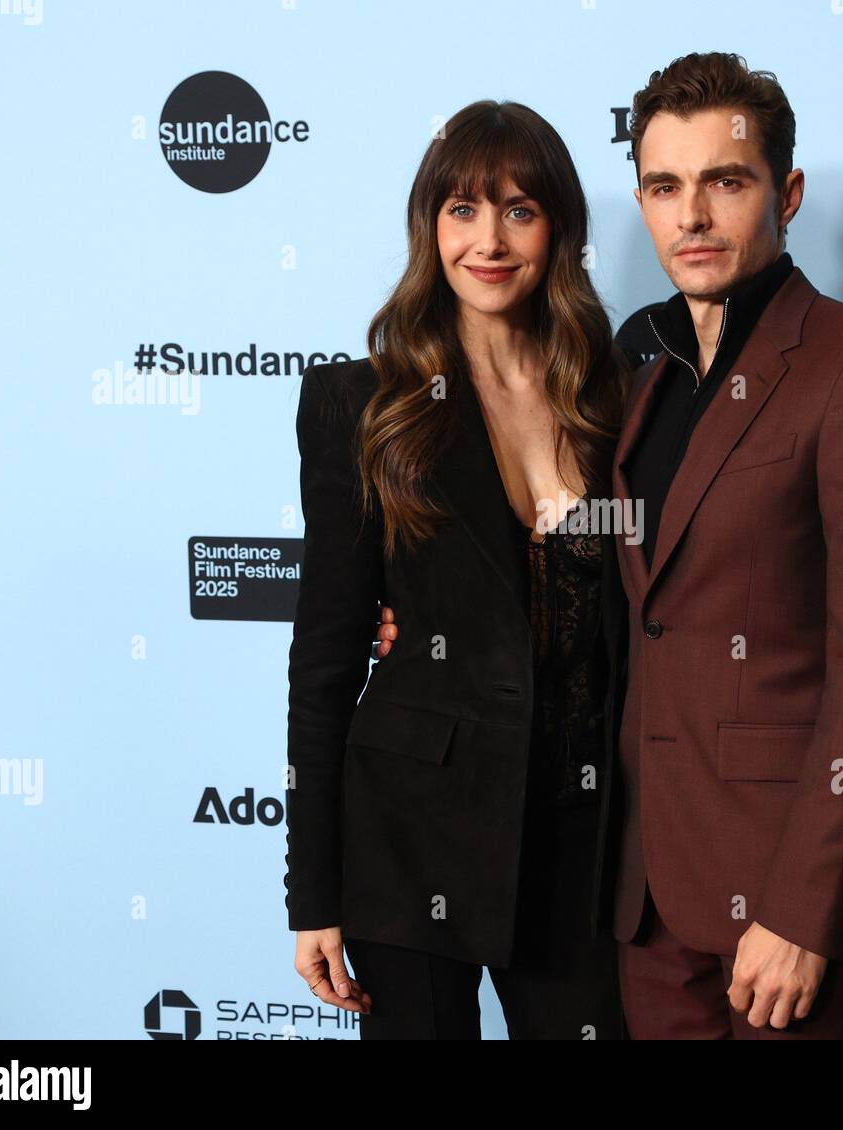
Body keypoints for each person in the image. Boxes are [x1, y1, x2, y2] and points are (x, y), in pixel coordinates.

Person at [379, 52, 843, 1040]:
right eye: (663, 186)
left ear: (786, 192)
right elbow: (606, 579)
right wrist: (439, 621)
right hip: (642, 898)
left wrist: (807, 907)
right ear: (640, 203)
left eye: (724, 182)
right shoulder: (634, 378)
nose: (691, 215)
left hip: (785, 899)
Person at [285, 99, 629, 1039]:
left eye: (520, 210)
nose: (489, 239)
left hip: (574, 832)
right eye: (462, 210)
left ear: (558, 228)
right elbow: (323, 662)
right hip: (412, 831)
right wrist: (312, 889)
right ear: (429, 225)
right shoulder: (365, 403)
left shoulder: (615, 395)